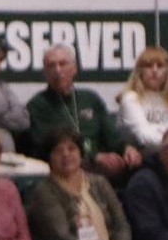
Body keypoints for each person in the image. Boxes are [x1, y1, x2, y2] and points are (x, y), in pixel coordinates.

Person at [25, 127, 153, 240]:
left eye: (71, 149)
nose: (66, 155)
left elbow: (121, 225)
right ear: (49, 157)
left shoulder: (99, 182)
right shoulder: (45, 191)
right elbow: (61, 237)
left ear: (81, 154)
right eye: (58, 151)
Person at [24, 44, 141, 177]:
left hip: (103, 166)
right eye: (51, 65)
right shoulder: (37, 105)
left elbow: (111, 134)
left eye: (63, 64)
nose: (57, 70)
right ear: (45, 73)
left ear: (74, 69)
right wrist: (94, 158)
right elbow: (47, 148)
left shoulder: (90, 98)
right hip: (65, 168)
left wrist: (127, 148)